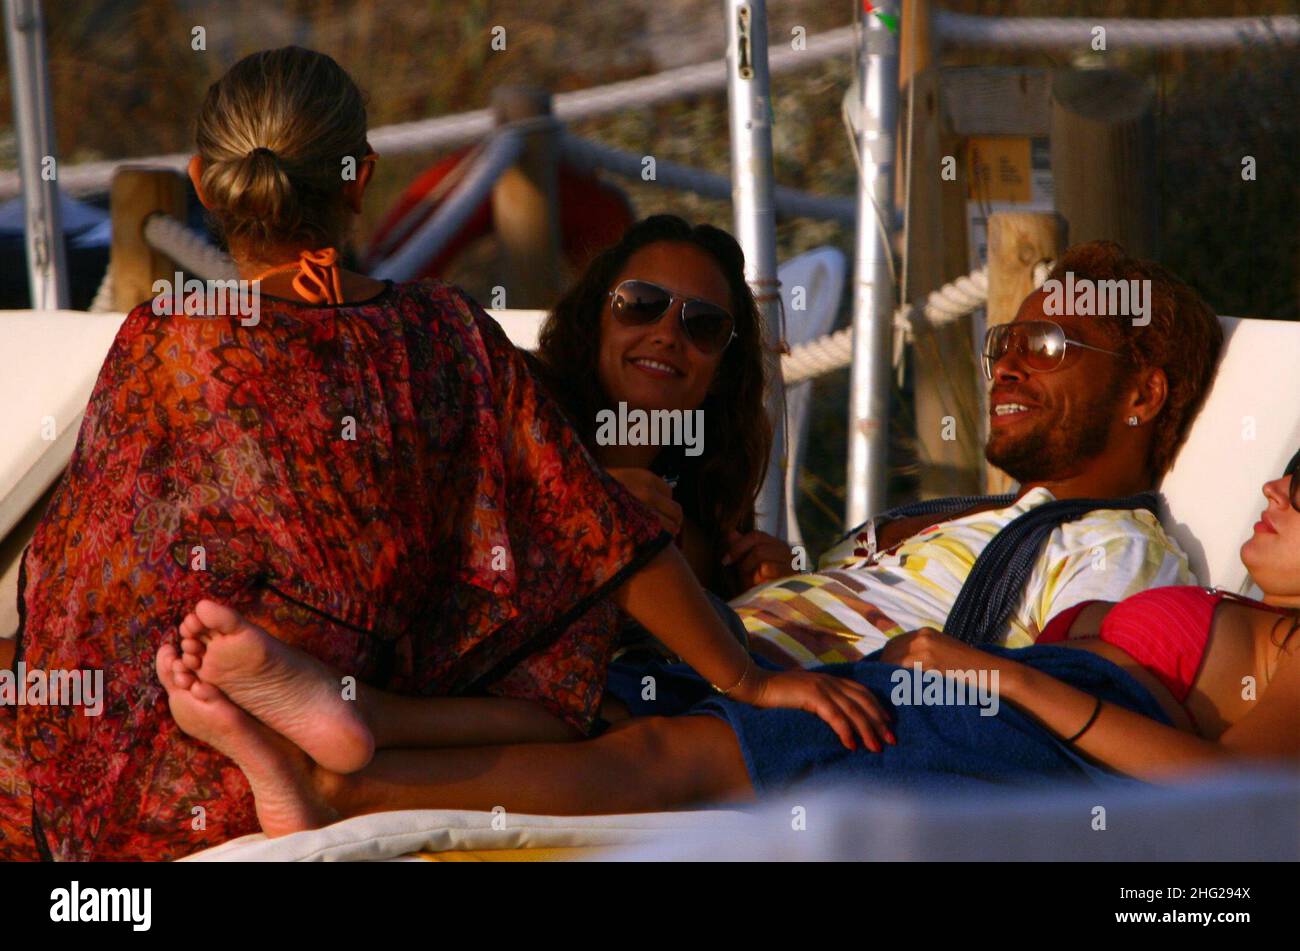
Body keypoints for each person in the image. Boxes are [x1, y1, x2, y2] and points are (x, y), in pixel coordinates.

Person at [0, 47, 874, 861]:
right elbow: (600, 535)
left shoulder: (163, 344)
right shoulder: (444, 335)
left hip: (125, 767)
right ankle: (340, 707)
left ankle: (297, 705)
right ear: (362, 180)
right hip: (320, 718)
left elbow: (86, 578)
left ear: (204, 182)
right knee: (568, 691)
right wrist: (748, 680)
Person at [155, 451, 1300, 828]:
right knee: (654, 723)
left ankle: (338, 776)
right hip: (993, 716)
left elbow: (1239, 799)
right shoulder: (1248, 618)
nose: (1272, 490)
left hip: (1022, 731)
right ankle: (337, 752)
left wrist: (1003, 676)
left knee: (673, 758)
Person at [531, 214, 789, 597]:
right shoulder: (518, 420)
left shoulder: (702, 542)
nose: (667, 335)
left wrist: (770, 594)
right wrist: (581, 504)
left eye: (703, 323)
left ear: (722, 369)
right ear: (594, 318)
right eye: (640, 303)